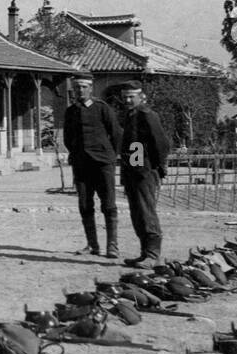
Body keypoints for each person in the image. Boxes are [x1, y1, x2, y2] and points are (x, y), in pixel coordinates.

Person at [62, 74, 122, 257]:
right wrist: (77, 153)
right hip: (81, 164)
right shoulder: (71, 111)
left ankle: (112, 246)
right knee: (85, 204)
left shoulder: (102, 108)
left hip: (103, 164)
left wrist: (110, 156)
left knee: (108, 204)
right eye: (77, 87)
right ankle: (92, 245)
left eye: (84, 87)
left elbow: (117, 134)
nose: (80, 90)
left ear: (91, 88)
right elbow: (67, 138)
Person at [118, 81, 171, 267]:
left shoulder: (147, 115)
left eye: (131, 96)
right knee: (137, 213)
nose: (127, 100)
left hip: (146, 171)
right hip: (134, 168)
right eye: (125, 97)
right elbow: (134, 146)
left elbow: (161, 143)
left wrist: (157, 166)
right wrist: (131, 169)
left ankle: (153, 255)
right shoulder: (130, 115)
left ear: (141, 97)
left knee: (146, 212)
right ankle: (144, 253)